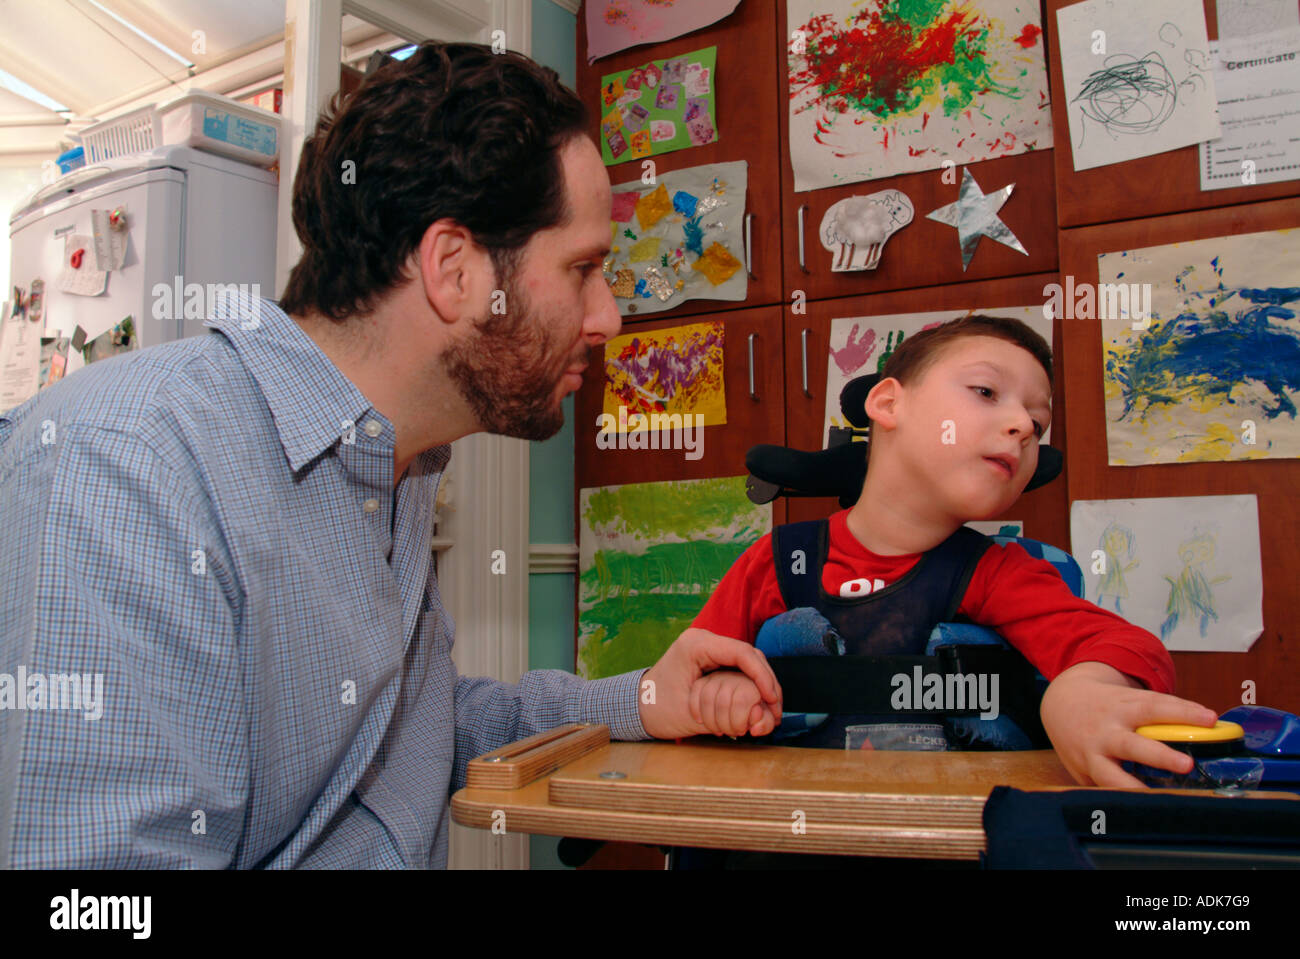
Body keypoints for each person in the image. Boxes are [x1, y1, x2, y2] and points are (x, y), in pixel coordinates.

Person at [0, 41, 780, 869]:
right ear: (454, 269)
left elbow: (416, 732)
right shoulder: (125, 468)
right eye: (584, 268)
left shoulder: (390, 465)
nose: (608, 317)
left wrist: (643, 697)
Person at [689, 315, 1220, 788]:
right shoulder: (775, 561)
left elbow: (1132, 647)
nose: (1021, 427)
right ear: (889, 402)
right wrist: (722, 690)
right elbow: (681, 677)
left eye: (1037, 425)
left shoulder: (997, 573)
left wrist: (1082, 692)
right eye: (987, 392)